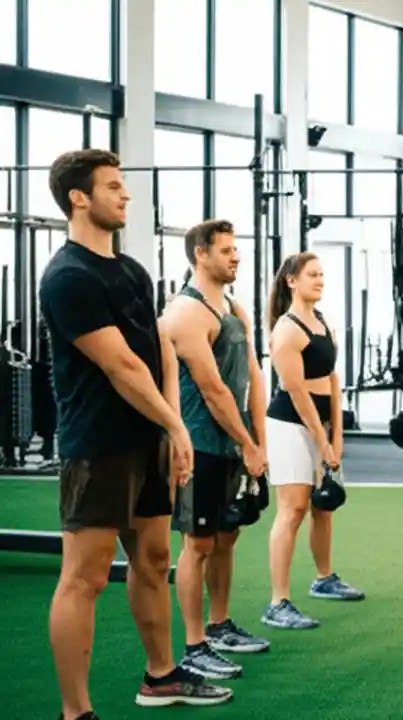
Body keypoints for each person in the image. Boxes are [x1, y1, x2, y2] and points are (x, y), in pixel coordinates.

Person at [39, 149, 232, 718]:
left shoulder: (131, 271)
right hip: (98, 445)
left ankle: (160, 676)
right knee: (85, 577)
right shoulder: (68, 277)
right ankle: (75, 711)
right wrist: (174, 423)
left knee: (152, 559)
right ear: (79, 198)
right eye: (113, 186)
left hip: (148, 441)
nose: (125, 195)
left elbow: (159, 353)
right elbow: (120, 365)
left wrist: (172, 427)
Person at [160, 220, 271, 680]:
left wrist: (259, 440)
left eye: (235, 249)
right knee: (199, 543)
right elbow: (212, 390)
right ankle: (193, 646)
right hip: (199, 445)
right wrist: (247, 443)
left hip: (234, 442)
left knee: (228, 536)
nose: (235, 256)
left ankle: (219, 625)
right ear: (200, 254)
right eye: (226, 250)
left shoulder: (233, 307)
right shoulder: (185, 313)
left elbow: (253, 376)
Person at [261, 252, 363, 631]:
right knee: (293, 509)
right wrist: (322, 440)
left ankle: (324, 578)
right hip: (290, 425)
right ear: (291, 281)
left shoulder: (323, 322)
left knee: (324, 507)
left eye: (322, 274)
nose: (320, 280)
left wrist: (336, 436)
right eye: (312, 275)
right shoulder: (286, 330)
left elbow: (333, 381)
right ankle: (278, 602)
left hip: (321, 424)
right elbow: (297, 391)